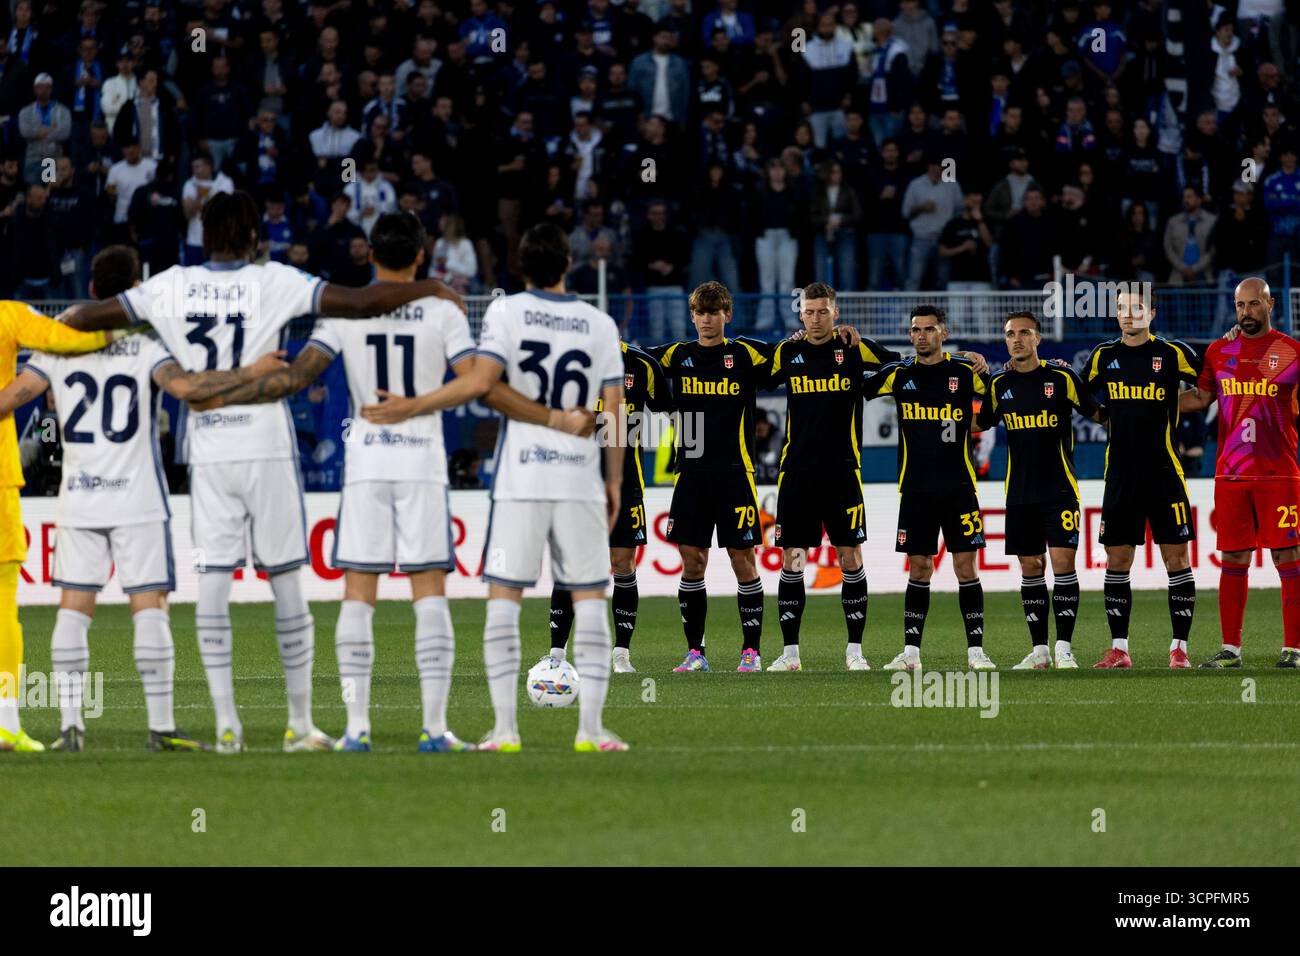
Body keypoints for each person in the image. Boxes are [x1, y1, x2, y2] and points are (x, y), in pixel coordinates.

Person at [58, 190, 466, 753]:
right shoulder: (275, 279)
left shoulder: (169, 284)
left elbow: (81, 316)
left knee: (216, 584)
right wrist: (434, 287)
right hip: (267, 444)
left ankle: (228, 725)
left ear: (203, 233)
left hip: (208, 449)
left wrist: (67, 341)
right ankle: (299, 724)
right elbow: (363, 302)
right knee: (286, 581)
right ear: (253, 237)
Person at [0, 246, 283, 752]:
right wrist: (251, 371)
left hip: (80, 497)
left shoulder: (55, 351)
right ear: (134, 295)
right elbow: (192, 391)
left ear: (91, 291)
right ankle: (159, 728)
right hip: (138, 500)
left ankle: (71, 729)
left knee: (73, 608)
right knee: (148, 605)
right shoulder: (147, 348)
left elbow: (10, 400)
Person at [359, 222, 627, 752]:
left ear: (521, 268)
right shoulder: (599, 323)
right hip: (578, 479)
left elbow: (483, 387)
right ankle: (591, 732)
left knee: (504, 598)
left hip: (520, 477)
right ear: (568, 266)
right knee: (592, 599)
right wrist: (613, 478)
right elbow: (615, 410)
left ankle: (504, 730)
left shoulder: (505, 312)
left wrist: (410, 406)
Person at [764, 284, 900, 672]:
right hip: (797, 474)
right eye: (809, 312)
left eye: (823, 311)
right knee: (792, 559)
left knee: (850, 557)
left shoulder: (855, 348)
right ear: (800, 315)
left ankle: (855, 651)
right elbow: (749, 374)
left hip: (842, 471)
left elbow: (908, 364)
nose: (816, 318)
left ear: (835, 313)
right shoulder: (787, 352)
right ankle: (790, 655)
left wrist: (964, 358)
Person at [0, 304, 115, 753]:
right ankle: (5, 722)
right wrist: (125, 324)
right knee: (3, 607)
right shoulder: (8, 315)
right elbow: (64, 338)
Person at [862, 306, 996, 672]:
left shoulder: (965, 371)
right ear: (909, 336)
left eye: (929, 329)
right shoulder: (900, 373)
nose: (922, 335)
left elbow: (1002, 390)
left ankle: (976, 652)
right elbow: (856, 383)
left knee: (966, 567)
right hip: (916, 490)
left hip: (959, 487)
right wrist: (849, 341)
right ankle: (911, 653)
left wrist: (984, 362)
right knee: (919, 568)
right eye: (915, 330)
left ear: (944, 333)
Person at [1179, 278, 1300, 668]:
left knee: (1287, 554)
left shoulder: (1291, 351)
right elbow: (1200, 398)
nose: (1245, 312)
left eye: (1253, 304)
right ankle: (1231, 649)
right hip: (1230, 474)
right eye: (1239, 306)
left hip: (1279, 471)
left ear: (1270, 305)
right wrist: (1150, 403)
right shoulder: (1219, 351)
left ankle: (1294, 649)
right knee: (1233, 556)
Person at [976, 312, 1103, 670]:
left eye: (1024, 333)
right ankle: (1040, 651)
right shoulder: (999, 384)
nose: (1016, 339)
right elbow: (980, 421)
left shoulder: (1061, 377)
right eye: (1010, 334)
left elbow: (1097, 413)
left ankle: (1064, 647)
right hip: (1019, 493)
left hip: (1060, 489)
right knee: (1030, 566)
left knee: (1063, 564)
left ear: (1037, 338)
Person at [1082, 288, 1200, 669]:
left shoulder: (1172, 353)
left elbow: (1212, 384)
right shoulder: (1104, 355)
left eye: (1135, 308)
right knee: (1118, 559)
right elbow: (1080, 395)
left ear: (1151, 312)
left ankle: (1179, 648)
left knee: (1176, 558)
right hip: (1120, 474)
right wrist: (1106, 416)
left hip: (1165, 471)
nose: (1127, 315)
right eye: (1120, 309)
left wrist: (1174, 406)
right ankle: (1120, 649)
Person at [546, 338, 673, 673]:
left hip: (626, 481)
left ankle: (621, 653)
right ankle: (557, 654)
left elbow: (671, 410)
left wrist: (692, 451)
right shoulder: (573, 366)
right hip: (578, 482)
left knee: (622, 564)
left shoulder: (642, 365)